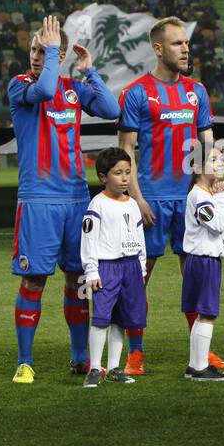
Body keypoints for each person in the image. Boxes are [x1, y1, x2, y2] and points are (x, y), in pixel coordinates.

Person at [8, 16, 120, 385]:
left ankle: (79, 357)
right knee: (34, 281)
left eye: (46, 50)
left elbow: (111, 110)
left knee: (77, 280)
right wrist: (56, 53)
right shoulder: (20, 86)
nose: (38, 56)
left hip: (75, 199)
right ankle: (25, 361)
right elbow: (42, 91)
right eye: (36, 50)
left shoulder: (73, 89)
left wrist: (89, 72)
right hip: (38, 199)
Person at [116, 16, 214, 375]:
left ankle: (200, 353)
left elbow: (205, 144)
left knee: (196, 274)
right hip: (152, 198)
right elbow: (126, 151)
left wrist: (206, 189)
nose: (185, 49)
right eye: (177, 44)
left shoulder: (196, 92)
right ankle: (135, 352)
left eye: (186, 43)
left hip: (188, 199)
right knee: (141, 274)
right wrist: (137, 198)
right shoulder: (137, 93)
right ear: (158, 49)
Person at [80, 147, 147, 387]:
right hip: (107, 268)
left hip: (130, 267)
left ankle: (115, 367)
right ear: (103, 177)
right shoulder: (97, 205)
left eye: (128, 172)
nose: (125, 178)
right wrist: (92, 271)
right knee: (101, 319)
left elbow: (139, 238)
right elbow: (88, 240)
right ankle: (96, 368)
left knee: (121, 319)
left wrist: (141, 268)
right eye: (118, 173)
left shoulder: (131, 204)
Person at [182, 142, 224, 382]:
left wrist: (221, 198)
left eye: (221, 159)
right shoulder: (200, 195)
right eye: (213, 159)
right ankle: (201, 367)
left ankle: (195, 365)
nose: (220, 163)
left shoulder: (205, 194)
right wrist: (223, 196)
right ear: (196, 165)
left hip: (200, 259)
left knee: (201, 313)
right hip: (204, 260)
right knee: (207, 314)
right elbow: (217, 225)